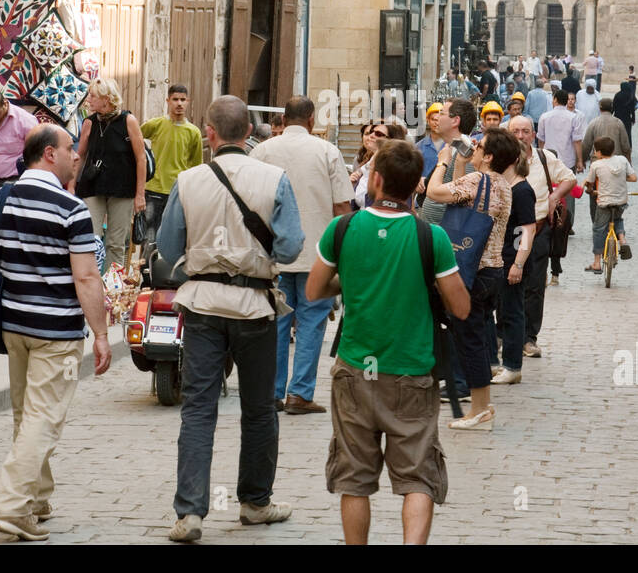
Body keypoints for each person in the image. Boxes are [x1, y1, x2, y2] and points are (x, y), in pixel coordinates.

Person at [306, 140, 469, 544]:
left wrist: (355, 279)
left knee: (354, 480)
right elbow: (461, 308)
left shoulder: (341, 229)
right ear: (417, 185)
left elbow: (313, 290)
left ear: (375, 179)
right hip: (411, 372)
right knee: (417, 477)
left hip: (355, 371)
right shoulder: (432, 238)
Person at [157, 95, 303, 542]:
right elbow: (291, 247)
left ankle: (190, 514)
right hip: (255, 307)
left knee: (198, 409)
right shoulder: (275, 179)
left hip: (202, 305)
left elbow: (167, 245)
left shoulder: (188, 180)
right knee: (259, 410)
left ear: (211, 133)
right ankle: (255, 503)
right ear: (251, 133)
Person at [0, 124, 111, 541]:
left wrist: (9, 284)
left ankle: (38, 499)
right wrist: (100, 334)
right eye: (70, 149)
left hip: (12, 327)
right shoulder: (71, 208)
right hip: (57, 332)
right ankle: (13, 508)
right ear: (49, 154)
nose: (75, 155)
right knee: (43, 417)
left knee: (26, 413)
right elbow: (86, 278)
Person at [251, 96, 355, 415]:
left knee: (278, 321)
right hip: (317, 254)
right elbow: (341, 208)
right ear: (311, 119)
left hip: (275, 253)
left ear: (284, 117)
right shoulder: (327, 151)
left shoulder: (262, 151)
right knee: (312, 321)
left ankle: (273, 391)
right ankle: (300, 393)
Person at [425, 128, 518, 431]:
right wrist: (463, 163)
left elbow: (435, 192)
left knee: (470, 340)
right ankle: (480, 405)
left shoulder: (480, 181)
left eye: (480, 146)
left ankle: (479, 409)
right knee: (473, 336)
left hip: (472, 271)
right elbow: (461, 192)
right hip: (492, 270)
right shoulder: (503, 184)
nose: (475, 148)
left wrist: (443, 161)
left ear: (490, 156)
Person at [508, 116, 574, 347]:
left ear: (533, 135)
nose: (520, 136)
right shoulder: (501, 160)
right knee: (505, 282)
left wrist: (555, 196)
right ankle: (502, 334)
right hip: (509, 232)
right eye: (515, 131)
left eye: (525, 131)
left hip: (538, 229)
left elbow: (570, 178)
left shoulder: (545, 158)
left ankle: (529, 337)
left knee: (535, 285)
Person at [75, 78, 146, 273]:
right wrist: (71, 186)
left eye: (93, 96)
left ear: (106, 99)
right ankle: (91, 280)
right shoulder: (89, 123)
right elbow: (79, 156)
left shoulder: (128, 121)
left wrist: (140, 194)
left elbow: (141, 159)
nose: (88, 100)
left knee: (115, 242)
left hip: (122, 187)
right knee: (92, 239)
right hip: (93, 186)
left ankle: (113, 287)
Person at [491, 138, 536, 386]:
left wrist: (517, 263)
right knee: (503, 312)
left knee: (512, 313)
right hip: (502, 259)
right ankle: (502, 363)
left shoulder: (522, 191)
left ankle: (512, 365)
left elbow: (526, 230)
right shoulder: (507, 187)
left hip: (512, 261)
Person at [141, 84, 203, 256]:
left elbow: (196, 165)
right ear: (168, 101)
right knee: (149, 236)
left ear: (188, 102)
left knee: (175, 236)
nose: (179, 104)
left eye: (183, 100)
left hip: (179, 191)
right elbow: (134, 139)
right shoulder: (155, 125)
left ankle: (170, 275)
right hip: (154, 189)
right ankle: (146, 275)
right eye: (175, 99)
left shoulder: (194, 132)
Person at [419, 99, 477, 225]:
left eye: (442, 113)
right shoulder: (451, 148)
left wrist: (442, 163)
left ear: (455, 121)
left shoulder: (465, 153)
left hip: (446, 233)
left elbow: (461, 195)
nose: (437, 118)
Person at [583, 136, 636, 274]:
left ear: (599, 152)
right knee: (617, 219)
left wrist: (590, 190)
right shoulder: (622, 160)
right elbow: (634, 178)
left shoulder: (596, 165)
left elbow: (589, 183)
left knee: (599, 229)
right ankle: (623, 241)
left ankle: (596, 263)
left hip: (604, 202)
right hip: (621, 201)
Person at [352, 121, 406, 208]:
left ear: (392, 140)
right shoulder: (369, 161)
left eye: (378, 134)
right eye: (371, 131)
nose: (371, 135)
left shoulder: (395, 167)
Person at [536, 89, 583, 172]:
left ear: (555, 100)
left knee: (550, 184)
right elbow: (577, 141)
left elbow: (541, 140)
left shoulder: (544, 117)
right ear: (566, 101)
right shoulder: (573, 117)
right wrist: (580, 161)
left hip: (549, 159)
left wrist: (541, 157)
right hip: (567, 161)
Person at [583, 97, 632, 163]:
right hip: (616, 160)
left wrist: (582, 160)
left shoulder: (593, 123)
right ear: (612, 108)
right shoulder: (618, 123)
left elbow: (586, 145)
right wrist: (628, 161)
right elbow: (625, 145)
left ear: (600, 108)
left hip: (598, 161)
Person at [415, 102, 447, 181]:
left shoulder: (451, 146)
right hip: (424, 190)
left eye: (440, 120)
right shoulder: (418, 147)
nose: (437, 123)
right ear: (428, 121)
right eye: (433, 119)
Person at [614, 80, 637, 150]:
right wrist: (633, 118)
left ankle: (618, 147)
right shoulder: (631, 95)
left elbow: (614, 106)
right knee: (628, 133)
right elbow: (633, 109)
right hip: (627, 117)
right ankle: (628, 148)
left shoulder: (617, 95)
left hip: (617, 117)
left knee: (617, 133)